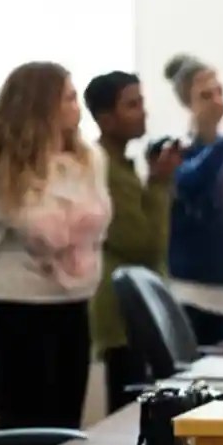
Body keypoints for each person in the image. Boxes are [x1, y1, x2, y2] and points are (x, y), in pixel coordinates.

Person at [0, 62, 111, 429]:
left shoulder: (87, 159)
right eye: (68, 98)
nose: (77, 107)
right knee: (26, 419)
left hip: (72, 303)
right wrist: (75, 216)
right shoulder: (1, 168)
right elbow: (46, 230)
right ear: (41, 106)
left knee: (66, 423)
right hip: (18, 307)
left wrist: (72, 215)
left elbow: (99, 218)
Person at [84, 71, 180, 414]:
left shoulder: (123, 164)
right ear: (105, 118)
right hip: (122, 314)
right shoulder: (105, 167)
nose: (143, 112)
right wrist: (160, 184)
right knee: (128, 414)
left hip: (132, 312)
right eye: (132, 104)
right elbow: (144, 243)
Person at [163, 55, 223, 346]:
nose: (216, 101)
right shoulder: (176, 153)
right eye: (205, 96)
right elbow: (193, 182)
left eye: (220, 92)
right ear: (188, 104)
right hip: (188, 291)